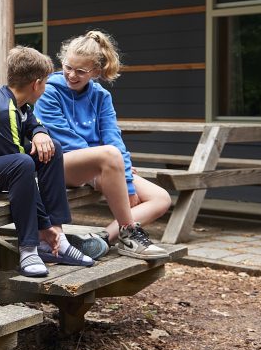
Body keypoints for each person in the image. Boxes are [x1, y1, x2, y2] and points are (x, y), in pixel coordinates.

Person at [0, 46, 94, 278]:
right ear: (37, 83)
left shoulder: (19, 103)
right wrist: (44, 224)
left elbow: (32, 122)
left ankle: (58, 241)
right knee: (22, 163)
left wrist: (40, 133)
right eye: (46, 83)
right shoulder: (2, 111)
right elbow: (20, 165)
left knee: (53, 148)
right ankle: (30, 248)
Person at [34, 30, 170, 260]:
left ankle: (101, 238)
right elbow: (65, 139)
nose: (71, 75)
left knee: (161, 198)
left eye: (80, 71)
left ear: (95, 71)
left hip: (100, 163)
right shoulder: (48, 91)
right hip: (60, 163)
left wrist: (123, 175)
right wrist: (110, 166)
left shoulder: (101, 96)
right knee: (109, 155)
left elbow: (113, 137)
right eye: (68, 67)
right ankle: (130, 233)